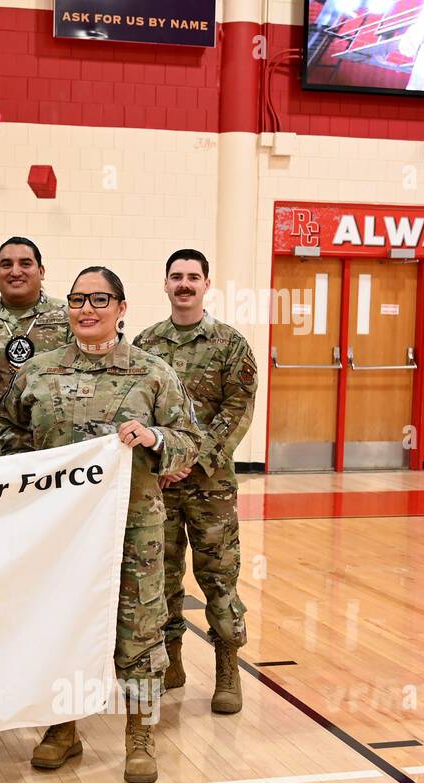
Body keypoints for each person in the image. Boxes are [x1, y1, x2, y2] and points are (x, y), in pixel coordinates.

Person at [0, 266, 201, 783]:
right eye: (78, 300)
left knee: (139, 627)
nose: (87, 309)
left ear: (122, 308)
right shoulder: (37, 372)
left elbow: (188, 440)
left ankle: (139, 732)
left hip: (134, 526)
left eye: (100, 299)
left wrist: (154, 439)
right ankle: (62, 728)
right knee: (60, 621)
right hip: (59, 532)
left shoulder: (153, 373)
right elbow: (5, 432)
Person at [133, 249, 257, 714]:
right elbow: (140, 410)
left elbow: (237, 410)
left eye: (193, 277)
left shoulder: (230, 344)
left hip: (210, 487)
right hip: (160, 484)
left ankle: (227, 670)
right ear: (165, 284)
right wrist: (165, 460)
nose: (184, 284)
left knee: (218, 579)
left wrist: (192, 458)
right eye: (176, 277)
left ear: (207, 284)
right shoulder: (145, 344)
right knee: (161, 579)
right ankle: (172, 662)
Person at [0, 237, 71, 457]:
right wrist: (4, 411)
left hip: (54, 452)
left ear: (41, 271)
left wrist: (38, 409)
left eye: (25, 263)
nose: (15, 271)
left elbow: (79, 375)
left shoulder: (68, 318)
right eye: (6, 264)